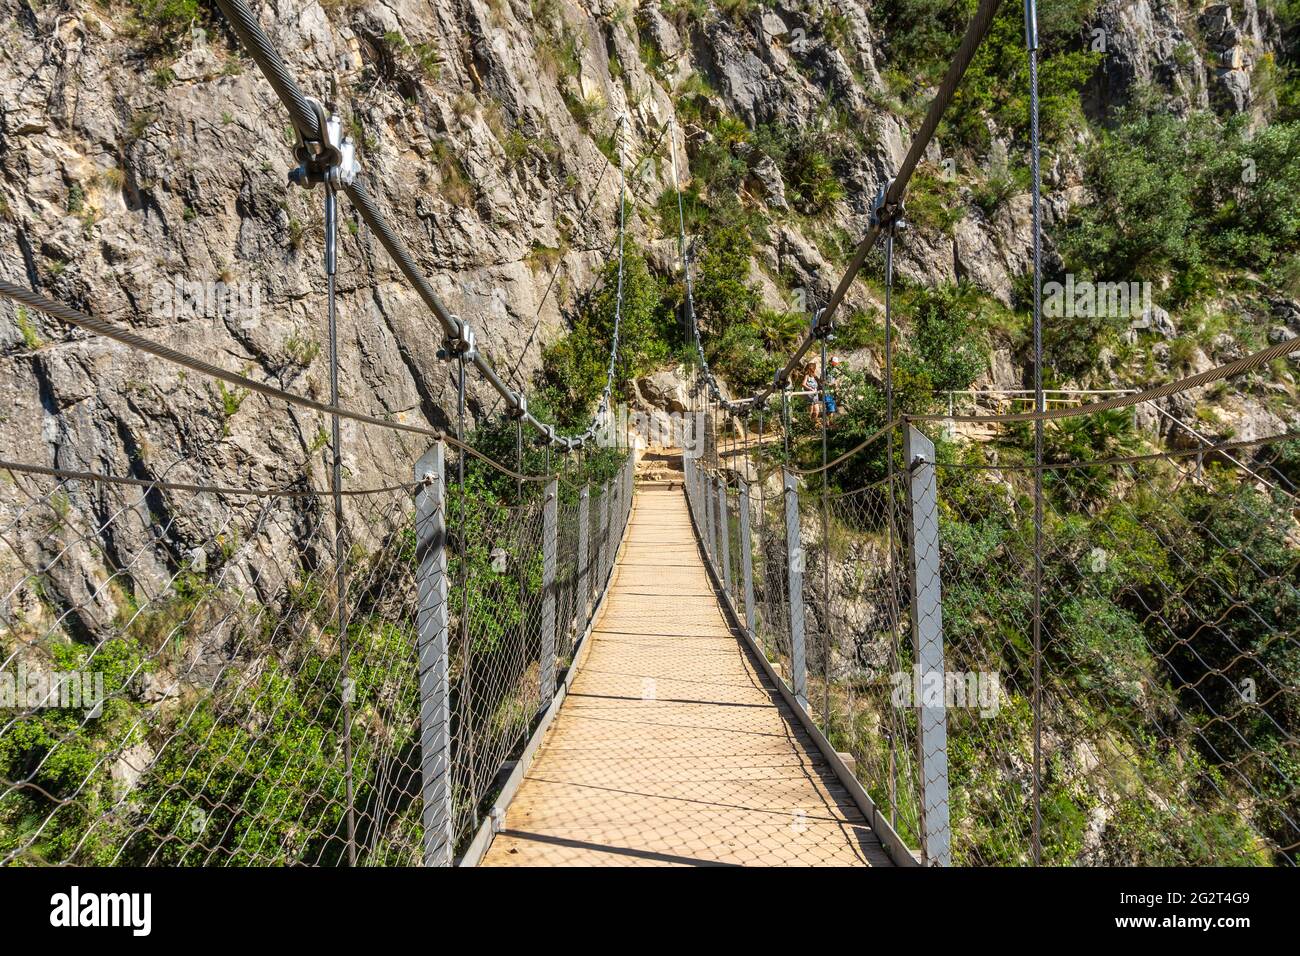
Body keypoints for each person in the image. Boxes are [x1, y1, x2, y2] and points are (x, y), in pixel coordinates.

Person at [823, 355, 842, 425]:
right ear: (831, 362)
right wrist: (829, 384)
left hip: (832, 391)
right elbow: (822, 380)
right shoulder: (826, 370)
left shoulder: (834, 370)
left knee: (832, 408)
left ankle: (829, 422)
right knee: (830, 408)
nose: (835, 365)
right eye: (834, 363)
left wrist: (836, 385)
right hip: (827, 391)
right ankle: (827, 422)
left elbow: (835, 380)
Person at [802, 361, 822, 425]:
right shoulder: (807, 376)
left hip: (815, 395)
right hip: (809, 395)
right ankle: (808, 424)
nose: (813, 370)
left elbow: (819, 383)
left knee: (817, 410)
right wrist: (809, 388)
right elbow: (803, 384)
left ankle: (813, 423)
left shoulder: (815, 376)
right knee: (810, 411)